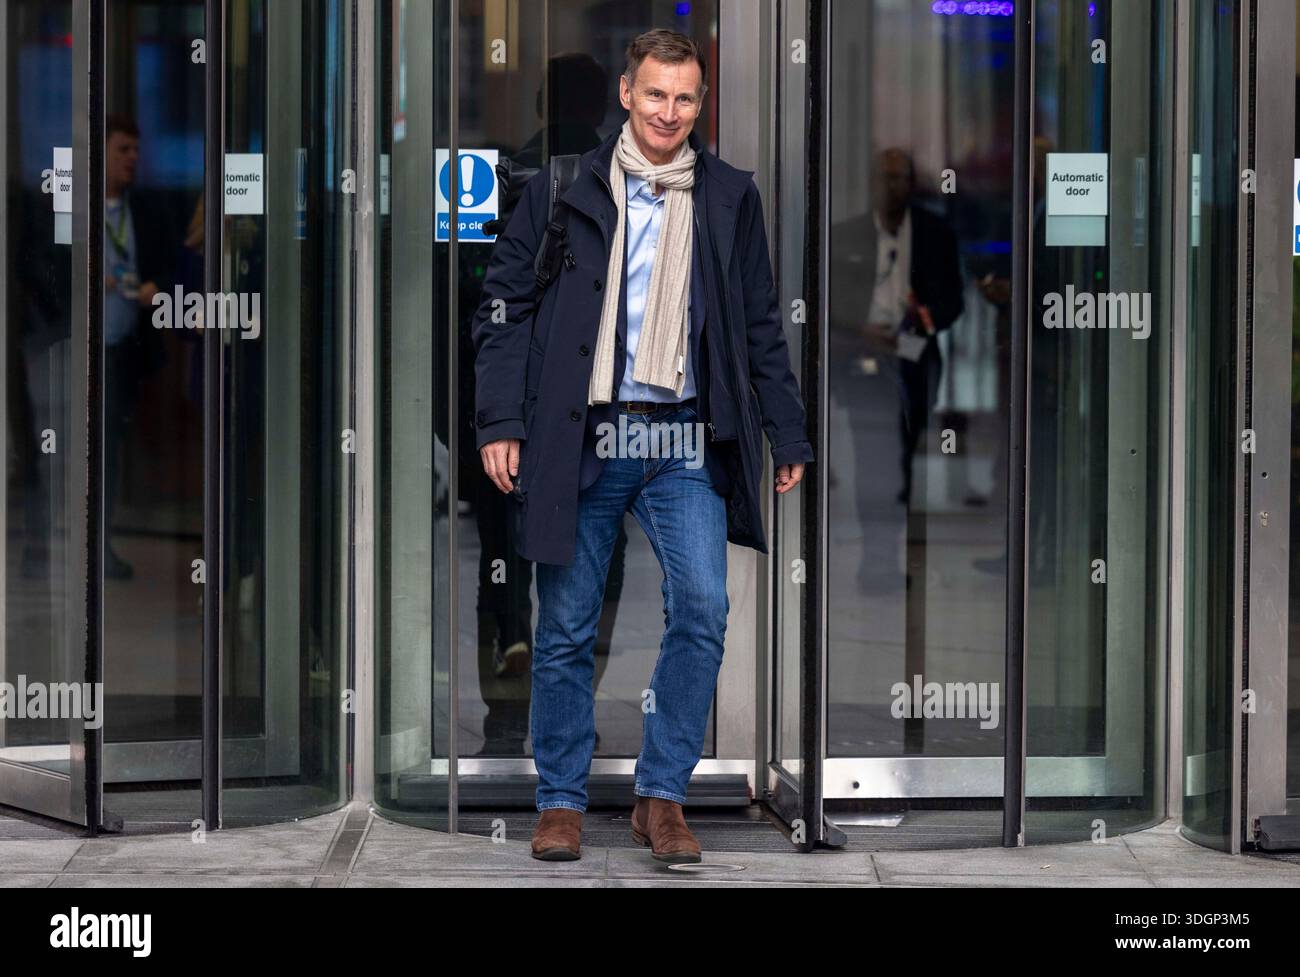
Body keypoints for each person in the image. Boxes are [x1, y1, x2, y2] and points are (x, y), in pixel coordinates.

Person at [471, 29, 812, 863]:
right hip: (584, 432)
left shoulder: (729, 196)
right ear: (627, 94)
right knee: (565, 625)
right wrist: (500, 421)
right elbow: (503, 304)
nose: (668, 112)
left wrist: (786, 427)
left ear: (701, 104)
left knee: (702, 607)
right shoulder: (564, 187)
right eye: (654, 94)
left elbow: (760, 323)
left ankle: (662, 796)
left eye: (685, 98)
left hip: (684, 436)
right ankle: (559, 799)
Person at [102, 114, 173, 580]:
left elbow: (168, 265)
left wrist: (156, 288)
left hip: (124, 348)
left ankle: (99, 543)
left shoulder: (142, 210)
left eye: (136, 151)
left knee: (111, 447)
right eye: (123, 149)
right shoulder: (75, 210)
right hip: (81, 348)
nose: (132, 158)